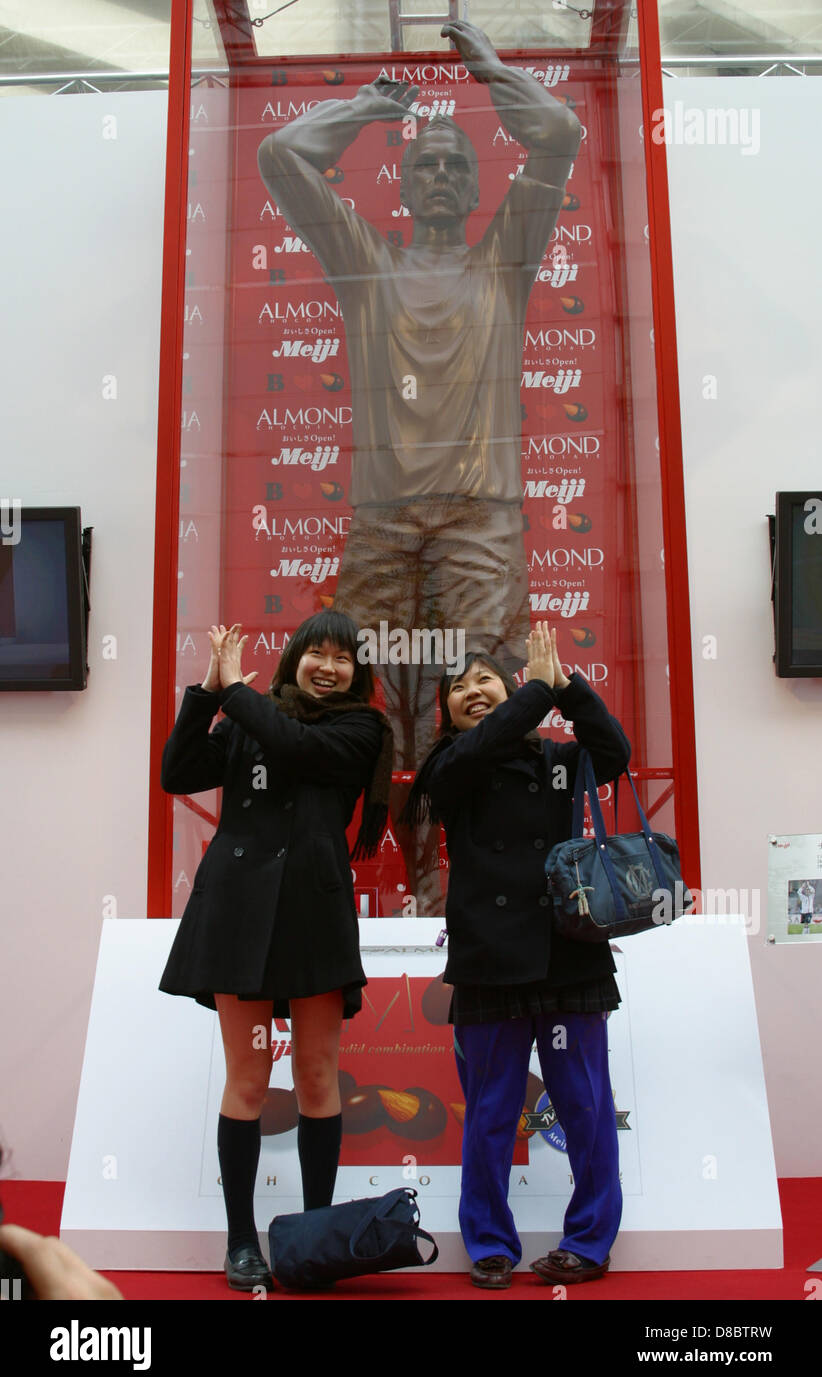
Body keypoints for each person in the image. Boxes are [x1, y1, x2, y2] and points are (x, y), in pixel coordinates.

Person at [257, 20, 582, 913]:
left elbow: (559, 134)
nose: (440, 176)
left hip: (481, 520)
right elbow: (281, 155)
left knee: (477, 706)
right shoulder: (367, 266)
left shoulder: (502, 263)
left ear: (478, 187)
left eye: (455, 166)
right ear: (402, 187)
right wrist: (366, 108)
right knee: (364, 711)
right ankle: (374, 888)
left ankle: (462, 896)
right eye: (426, 165)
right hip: (382, 524)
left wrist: (490, 74)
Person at [159, 611, 392, 1290]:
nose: (328, 666)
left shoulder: (360, 728)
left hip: (314, 912)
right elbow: (178, 772)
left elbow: (295, 749)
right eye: (315, 653)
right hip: (236, 909)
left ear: (357, 672)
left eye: (342, 657)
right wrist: (208, 690)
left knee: (318, 1077)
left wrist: (239, 696)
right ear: (292, 660)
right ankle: (240, 1242)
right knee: (251, 1080)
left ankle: (315, 1236)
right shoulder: (245, 715)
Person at [405, 623, 630, 1288]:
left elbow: (612, 752)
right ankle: (489, 1243)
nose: (472, 690)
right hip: (489, 963)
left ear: (510, 687)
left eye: (485, 679)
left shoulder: (562, 758)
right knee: (492, 1114)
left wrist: (568, 686)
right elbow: (484, 745)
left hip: (571, 955)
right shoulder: (450, 766)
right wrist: (533, 693)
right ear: (446, 709)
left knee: (586, 1109)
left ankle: (589, 1241)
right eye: (459, 687)